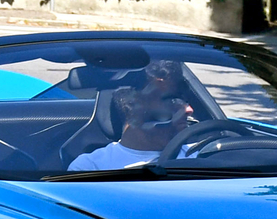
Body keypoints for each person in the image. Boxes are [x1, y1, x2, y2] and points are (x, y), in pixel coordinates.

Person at [68, 63, 196, 172]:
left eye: (185, 100)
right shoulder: (90, 167)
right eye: (172, 99)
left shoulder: (202, 156)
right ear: (136, 107)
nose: (189, 110)